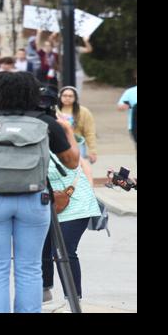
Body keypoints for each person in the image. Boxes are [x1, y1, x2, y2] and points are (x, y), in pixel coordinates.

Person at [0, 71, 79, 313]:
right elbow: (72, 162)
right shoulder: (45, 122)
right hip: (34, 199)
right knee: (30, 267)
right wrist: (68, 131)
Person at [41, 117, 102, 311]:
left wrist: (66, 128)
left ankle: (73, 298)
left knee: (64, 251)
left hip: (76, 204)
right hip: (49, 205)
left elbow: (75, 164)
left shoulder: (66, 148)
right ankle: (44, 289)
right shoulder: (36, 147)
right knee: (42, 248)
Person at [58, 86, 99, 164]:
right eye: (65, 95)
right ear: (60, 96)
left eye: (70, 96)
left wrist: (92, 151)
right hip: (58, 144)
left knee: (78, 169)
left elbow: (89, 132)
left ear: (75, 98)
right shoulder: (54, 110)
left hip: (77, 144)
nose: (67, 98)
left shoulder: (83, 112)